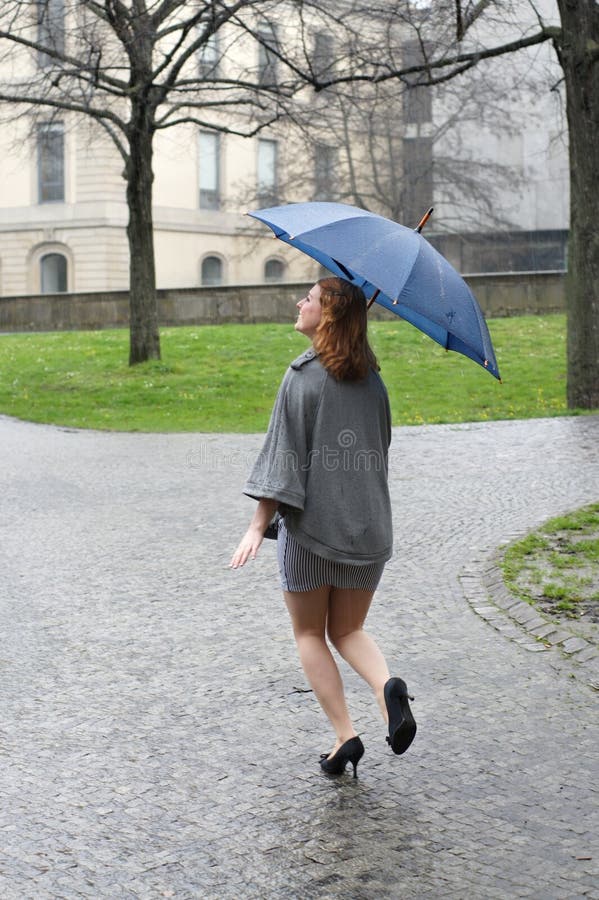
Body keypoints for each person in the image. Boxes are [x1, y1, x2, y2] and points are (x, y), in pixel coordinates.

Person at [230, 277, 416, 777]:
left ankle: (345, 735)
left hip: (312, 532)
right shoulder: (373, 382)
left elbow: (282, 459)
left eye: (309, 299)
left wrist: (257, 525)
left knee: (311, 633)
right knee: (349, 629)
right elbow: (381, 448)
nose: (300, 303)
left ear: (328, 314)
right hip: (370, 531)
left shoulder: (303, 377)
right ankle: (387, 690)